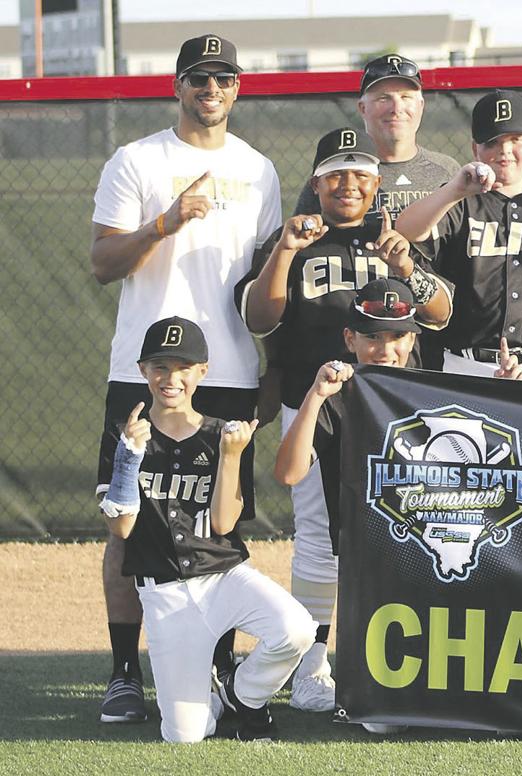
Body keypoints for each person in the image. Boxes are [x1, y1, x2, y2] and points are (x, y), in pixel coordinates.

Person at [89, 34, 281, 724]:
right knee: (126, 526)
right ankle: (121, 672)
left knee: (218, 527)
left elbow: (266, 286)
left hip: (227, 371)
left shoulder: (259, 170)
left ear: (237, 89)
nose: (212, 88)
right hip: (144, 372)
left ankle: (221, 665)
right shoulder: (136, 159)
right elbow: (105, 261)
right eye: (200, 77)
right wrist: (164, 223)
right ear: (178, 85)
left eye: (224, 78)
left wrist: (273, 370)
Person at [234, 127, 452, 712]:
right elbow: (259, 318)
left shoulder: (394, 237)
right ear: (315, 182)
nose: (348, 184)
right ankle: (313, 664)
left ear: (377, 183)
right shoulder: (295, 239)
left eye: (359, 173)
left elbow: (440, 312)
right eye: (335, 173)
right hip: (316, 402)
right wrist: (285, 250)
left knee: (408, 528)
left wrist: (407, 263)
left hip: (397, 410)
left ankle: (397, 656)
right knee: (316, 534)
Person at [274, 277, 487, 737]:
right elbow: (289, 473)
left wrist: (512, 389)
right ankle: (317, 669)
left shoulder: (436, 392)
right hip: (367, 564)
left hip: (432, 558)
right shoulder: (339, 394)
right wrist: (314, 396)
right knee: (381, 722)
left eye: (396, 336)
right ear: (350, 339)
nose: (384, 348)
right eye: (371, 336)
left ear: (414, 338)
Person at [102, 317, 315, 742]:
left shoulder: (222, 434)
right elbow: (122, 527)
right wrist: (129, 457)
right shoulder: (126, 437)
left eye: (182, 367)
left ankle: (244, 692)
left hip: (224, 578)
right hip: (164, 593)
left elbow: (223, 523)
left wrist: (232, 456)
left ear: (202, 371)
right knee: (185, 735)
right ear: (143, 370)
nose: (171, 378)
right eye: (160, 366)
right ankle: (212, 699)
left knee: (297, 628)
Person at [396, 90, 522, 377]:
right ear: (475, 149)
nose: (504, 151)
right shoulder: (460, 202)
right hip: (465, 364)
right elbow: (405, 231)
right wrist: (455, 189)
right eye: (493, 142)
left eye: (516, 140)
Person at [292, 55, 459, 249]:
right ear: (362, 108)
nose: (396, 108)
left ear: (421, 106)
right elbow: (300, 248)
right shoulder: (335, 177)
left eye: (406, 97)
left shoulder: (447, 171)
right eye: (383, 98)